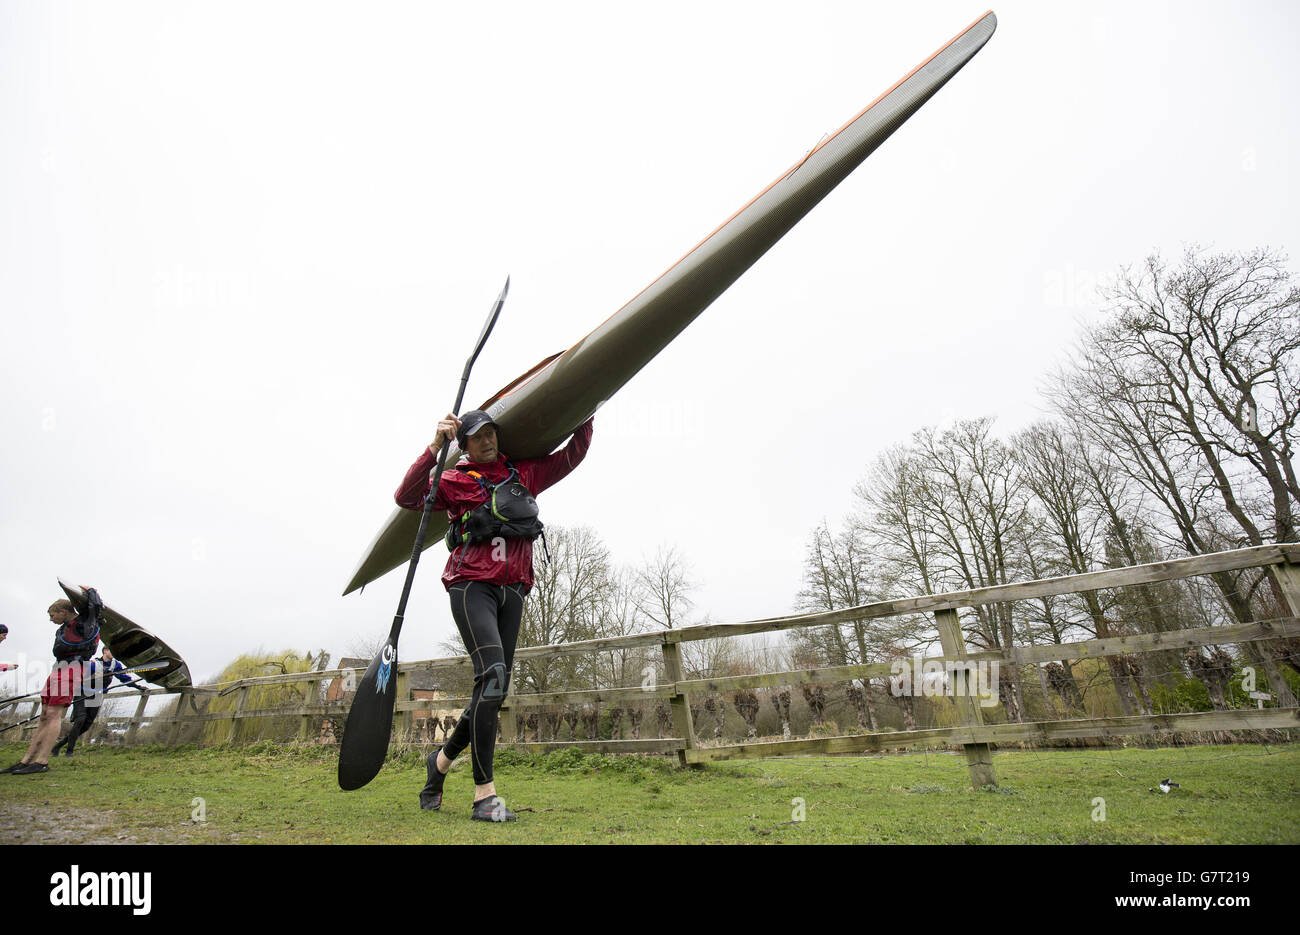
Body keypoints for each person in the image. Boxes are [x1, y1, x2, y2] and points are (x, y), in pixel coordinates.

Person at [395, 410, 593, 821]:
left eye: (491, 433)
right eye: (476, 436)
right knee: (494, 676)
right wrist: (436, 446)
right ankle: (485, 796)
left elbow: (571, 456)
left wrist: (586, 411)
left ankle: (440, 764)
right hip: (472, 586)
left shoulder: (522, 475)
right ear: (464, 445)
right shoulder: (454, 481)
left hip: (515, 590)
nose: (486, 440)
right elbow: (408, 496)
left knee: (494, 689)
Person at [1, 594, 101, 775]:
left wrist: (91, 592)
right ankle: (25, 761)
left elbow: (95, 607)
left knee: (55, 713)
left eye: (53, 615)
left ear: (63, 612)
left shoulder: (84, 624)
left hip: (73, 668)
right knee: (45, 715)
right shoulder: (63, 629)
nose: (51, 619)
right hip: (58, 668)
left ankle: (42, 761)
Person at [51, 647, 147, 757]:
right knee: (80, 720)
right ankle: (69, 752)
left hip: (96, 695)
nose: (113, 653)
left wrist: (137, 686)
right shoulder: (93, 664)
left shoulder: (115, 665)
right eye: (111, 651)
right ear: (105, 651)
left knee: (86, 726)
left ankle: (58, 746)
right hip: (82, 693)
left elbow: (124, 678)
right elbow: (79, 676)